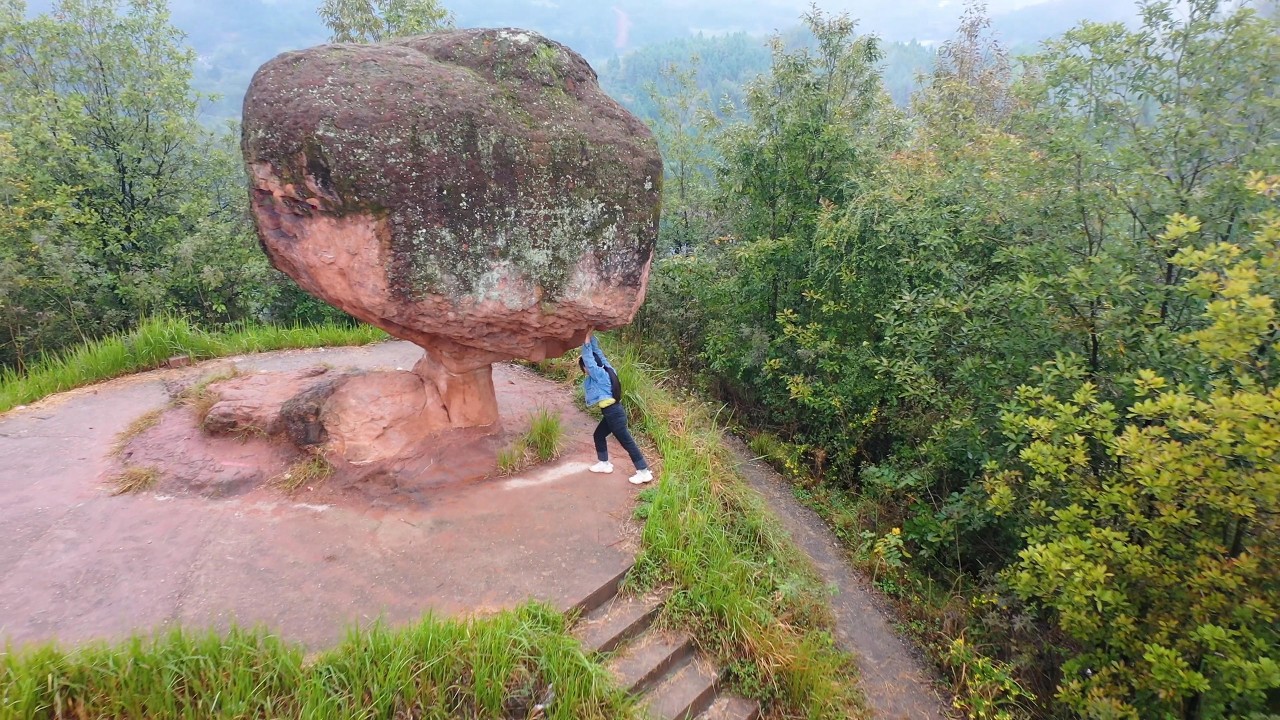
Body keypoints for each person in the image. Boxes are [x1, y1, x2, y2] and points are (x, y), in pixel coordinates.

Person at [579, 332, 652, 484]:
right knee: (598, 435)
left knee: (627, 442)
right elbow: (599, 355)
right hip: (612, 413)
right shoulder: (608, 370)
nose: (585, 370)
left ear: (587, 367)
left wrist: (585, 340)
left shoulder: (599, 374)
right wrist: (590, 337)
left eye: (584, 368)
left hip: (614, 414)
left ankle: (643, 471)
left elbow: (589, 359)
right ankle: (604, 463)